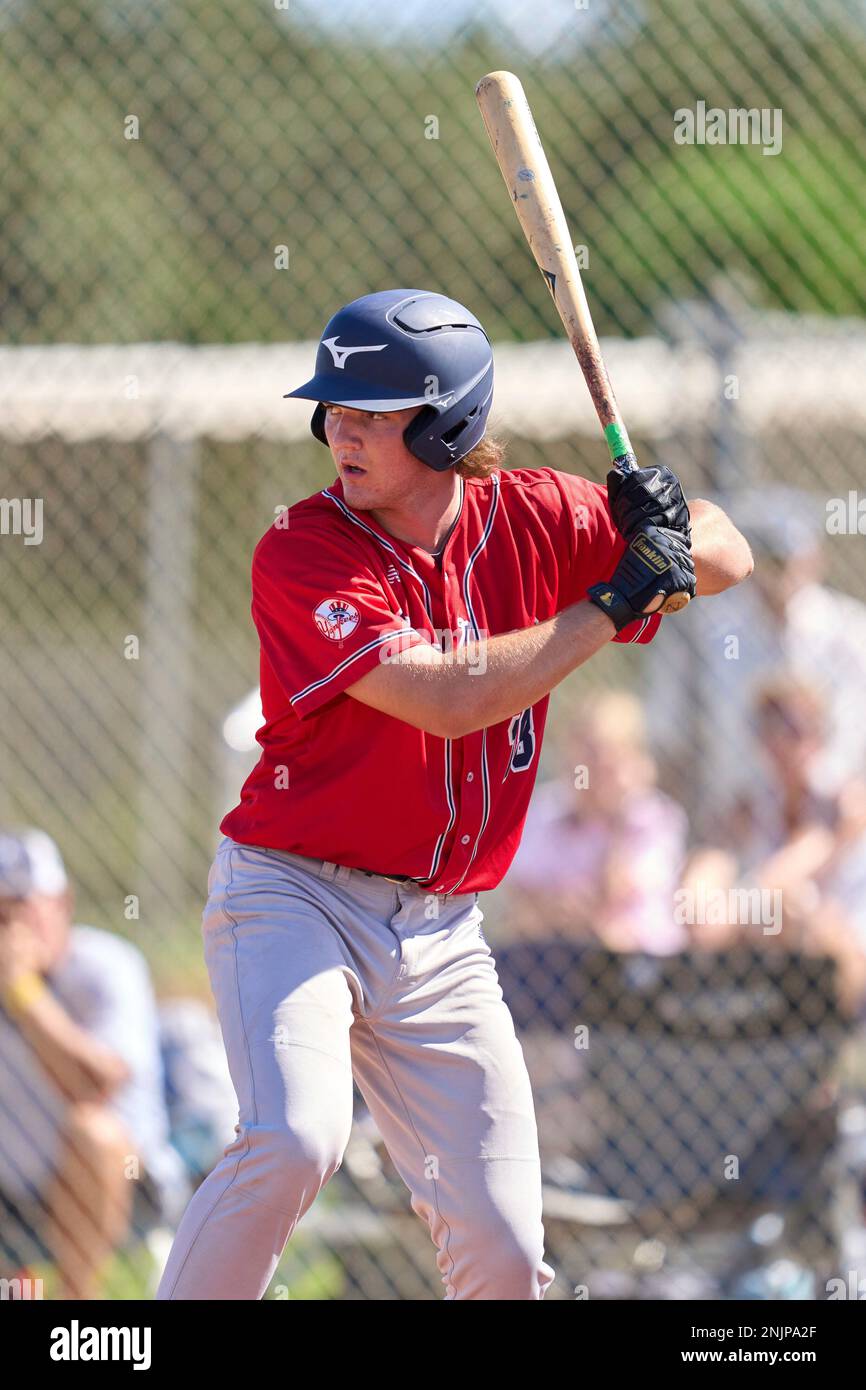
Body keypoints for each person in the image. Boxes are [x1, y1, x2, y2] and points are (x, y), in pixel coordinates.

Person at [156, 287, 752, 1301]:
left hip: (441, 933)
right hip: (293, 895)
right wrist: (619, 596)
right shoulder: (303, 549)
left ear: (447, 422)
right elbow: (450, 697)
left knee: (504, 1247)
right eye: (332, 408)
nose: (339, 430)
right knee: (296, 1138)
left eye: (372, 412)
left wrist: (669, 536)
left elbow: (725, 544)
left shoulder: (533, 514)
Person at [0, 829, 191, 1299]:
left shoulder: (107, 964)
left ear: (61, 903)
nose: (11, 930)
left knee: (93, 1131)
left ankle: (77, 1305)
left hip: (122, 1186)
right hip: (14, 1186)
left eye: (22, 908)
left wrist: (24, 993)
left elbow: (93, 1086)